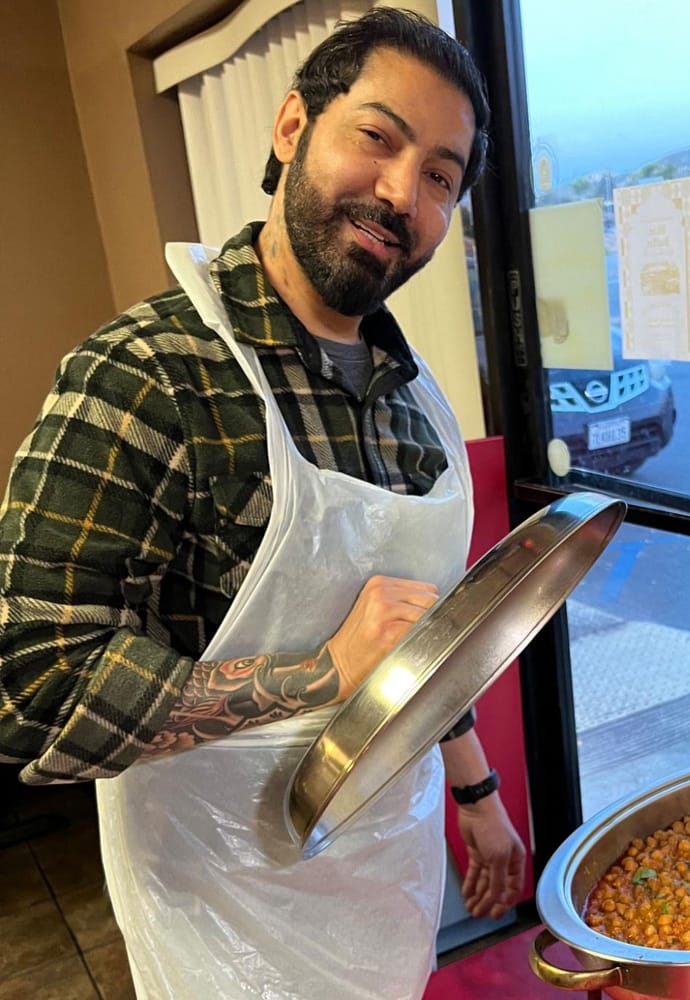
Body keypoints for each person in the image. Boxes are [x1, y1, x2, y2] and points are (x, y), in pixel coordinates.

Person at [0, 8, 526, 998]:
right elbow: (29, 689)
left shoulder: (417, 409)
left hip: (385, 875)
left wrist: (476, 794)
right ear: (292, 129)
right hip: (218, 914)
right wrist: (317, 673)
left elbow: (425, 640)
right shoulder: (148, 373)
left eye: (441, 176)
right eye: (376, 137)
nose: (400, 192)